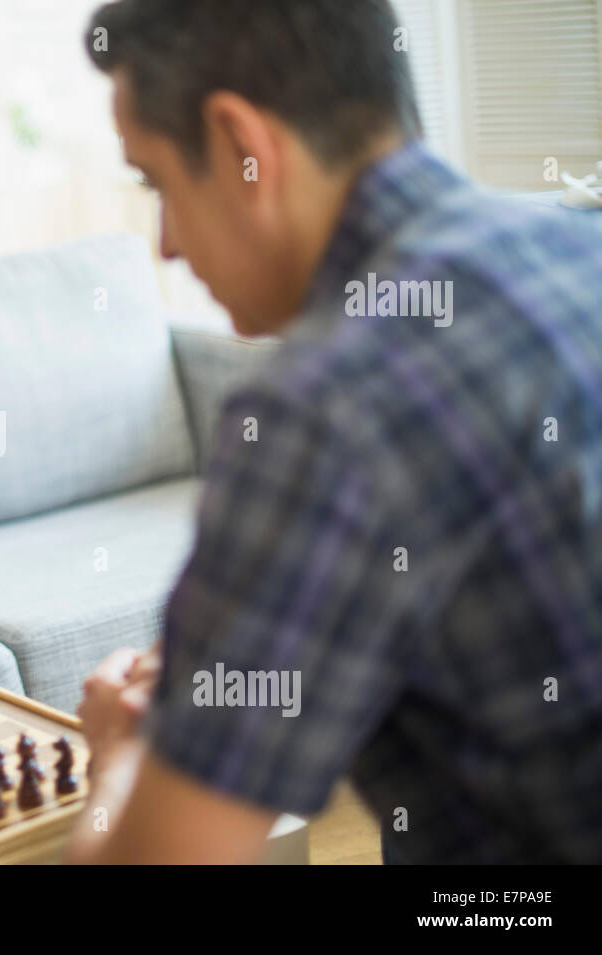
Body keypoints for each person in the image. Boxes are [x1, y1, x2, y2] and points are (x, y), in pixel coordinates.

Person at [68, 0, 602, 864]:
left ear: (243, 149)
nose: (163, 244)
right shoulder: (580, 242)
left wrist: (118, 763)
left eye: (158, 183)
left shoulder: (318, 410)